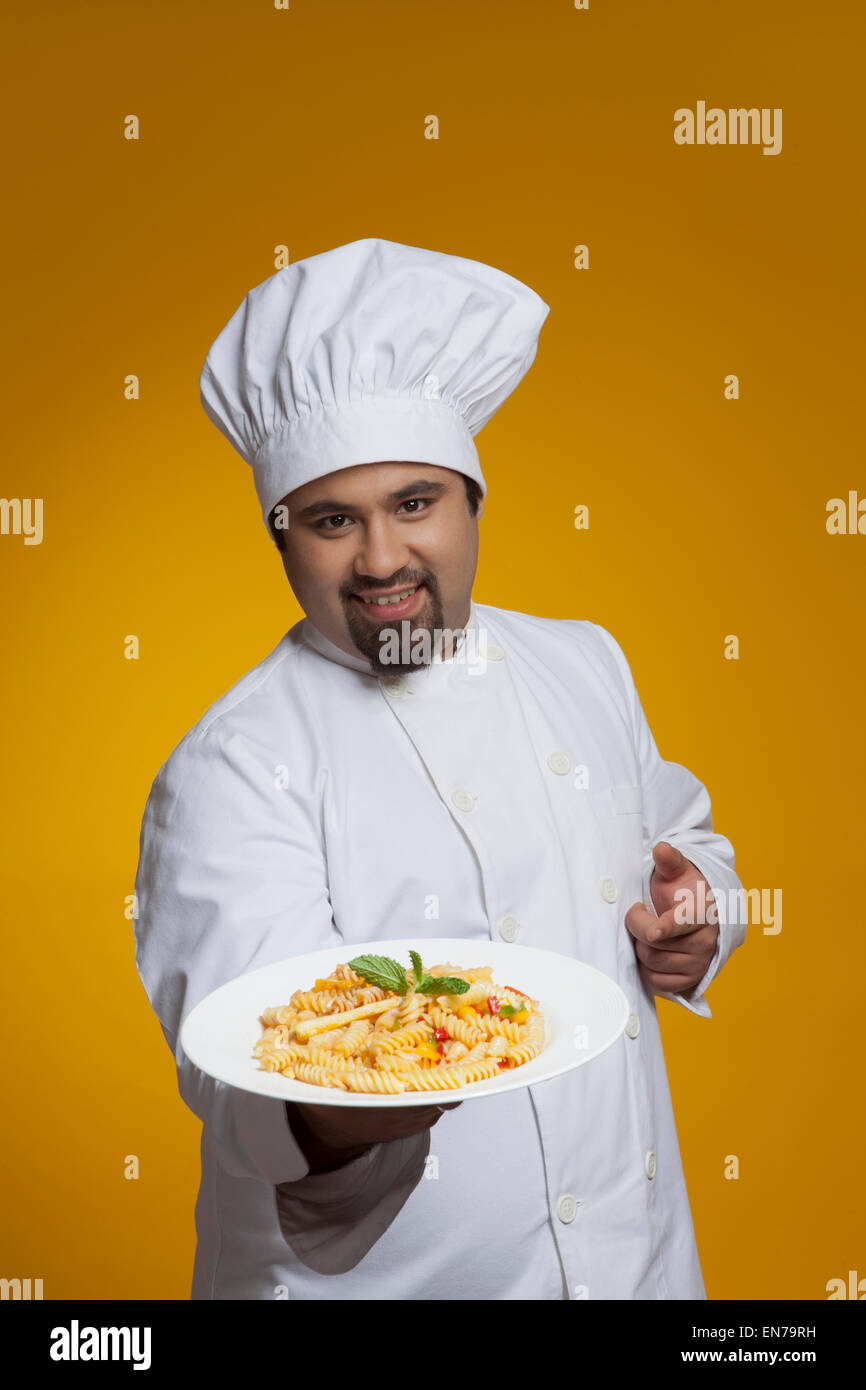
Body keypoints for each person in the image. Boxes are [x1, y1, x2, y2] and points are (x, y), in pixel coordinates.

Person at [133, 237, 746, 1300]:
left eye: (414, 503)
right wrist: (342, 1102)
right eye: (333, 520)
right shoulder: (235, 762)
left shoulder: (580, 659)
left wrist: (699, 907)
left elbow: (674, 829)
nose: (379, 560)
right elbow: (241, 1080)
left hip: (636, 1266)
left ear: (471, 502)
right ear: (283, 539)